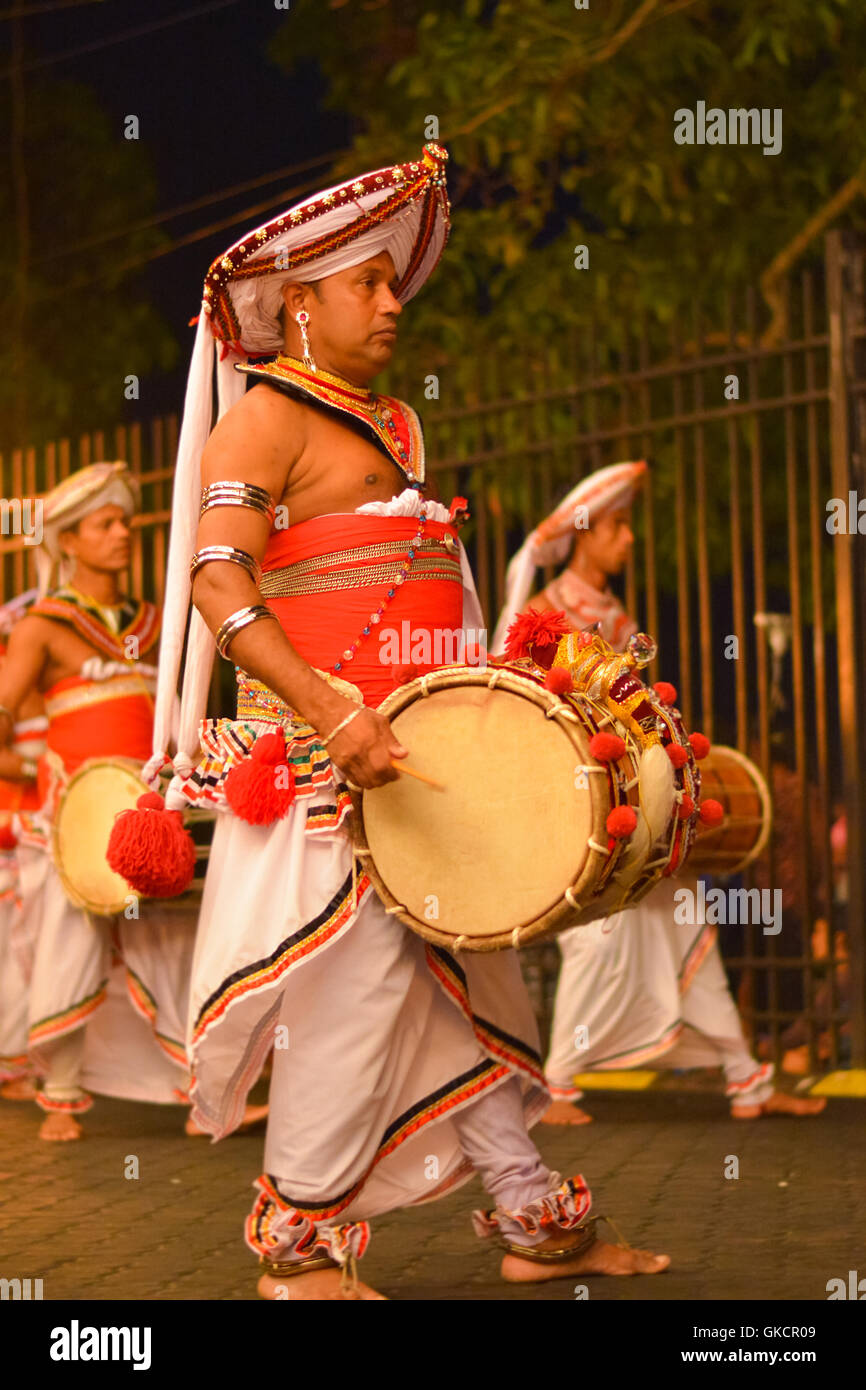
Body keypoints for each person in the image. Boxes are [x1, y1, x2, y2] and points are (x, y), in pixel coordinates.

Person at [139, 143, 670, 1299]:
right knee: (357, 996)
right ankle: (300, 1254)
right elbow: (217, 584)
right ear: (297, 304)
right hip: (334, 784)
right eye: (368, 285)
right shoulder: (263, 424)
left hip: (424, 773)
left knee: (465, 995)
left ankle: (536, 1223)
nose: (392, 304)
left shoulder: (389, 426)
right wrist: (331, 710)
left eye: (392, 284)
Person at [494, 464, 826, 1124]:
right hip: (593, 813)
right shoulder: (553, 612)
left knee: (686, 924)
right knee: (597, 942)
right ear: (584, 537)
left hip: (640, 808)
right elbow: (550, 719)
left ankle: (745, 1081)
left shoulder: (615, 615)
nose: (630, 540)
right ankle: (556, 1084)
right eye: (618, 527)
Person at [0, 465, 202, 1140]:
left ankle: (197, 1092)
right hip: (73, 813)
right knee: (70, 938)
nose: (123, 533)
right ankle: (59, 1092)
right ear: (68, 543)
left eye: (125, 522)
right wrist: (37, 765)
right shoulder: (42, 625)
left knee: (170, 939)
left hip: (147, 808)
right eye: (105, 525)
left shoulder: (155, 622)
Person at [0, 592, 46, 1101]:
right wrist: (42, 769)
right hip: (14, 827)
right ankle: (13, 1065)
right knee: (14, 952)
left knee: (23, 948)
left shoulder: (44, 686)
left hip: (35, 824)